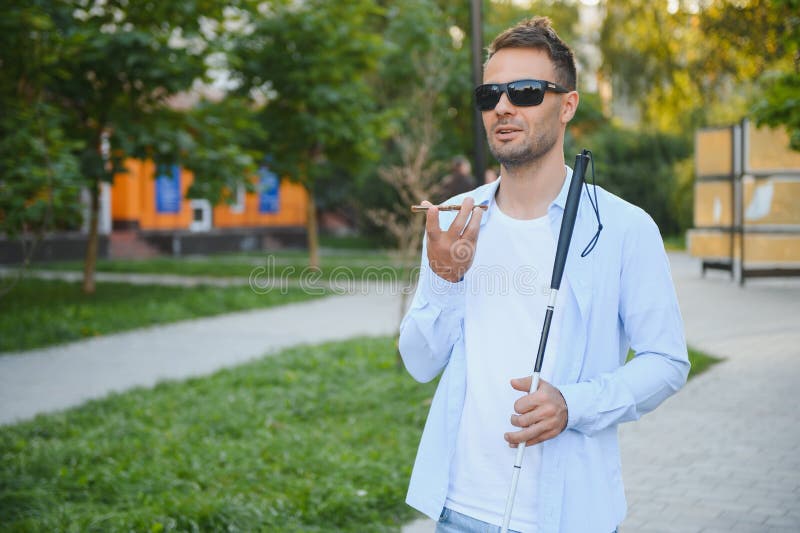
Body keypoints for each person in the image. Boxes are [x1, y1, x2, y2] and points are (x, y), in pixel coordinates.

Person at [399, 17, 689, 533]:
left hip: (572, 516)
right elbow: (420, 363)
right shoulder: (453, 222)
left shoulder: (623, 228)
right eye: (490, 94)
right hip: (459, 510)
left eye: (527, 91)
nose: (504, 107)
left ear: (568, 104)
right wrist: (445, 280)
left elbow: (666, 361)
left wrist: (572, 404)